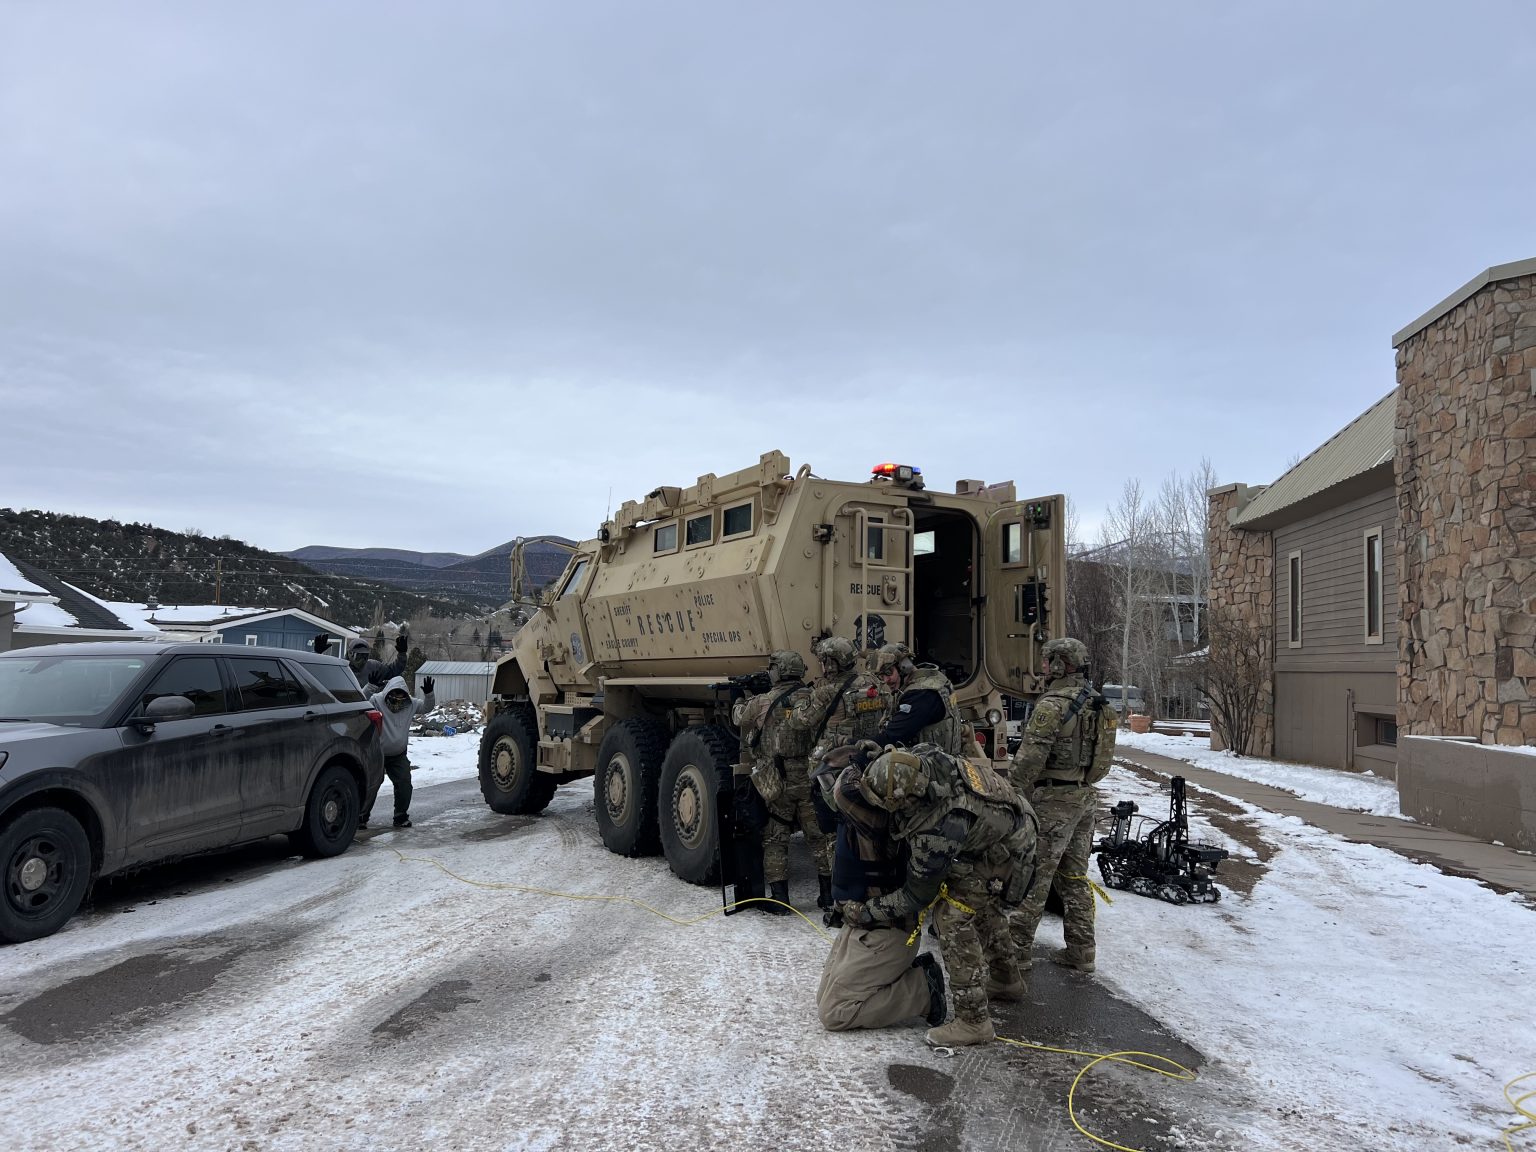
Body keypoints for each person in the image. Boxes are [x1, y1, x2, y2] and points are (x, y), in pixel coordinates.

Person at [842, 743, 1036, 1047]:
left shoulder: (939, 827)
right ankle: (1007, 980)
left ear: (904, 800)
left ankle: (974, 1022)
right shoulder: (925, 759)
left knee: (952, 916)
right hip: (1012, 823)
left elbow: (915, 896)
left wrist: (868, 911)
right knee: (984, 910)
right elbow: (899, 759)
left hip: (1009, 853)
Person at [815, 740, 945, 1032]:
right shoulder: (859, 817)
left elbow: (842, 792)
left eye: (829, 780)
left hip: (887, 931)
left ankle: (923, 989)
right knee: (824, 997)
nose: (826, 790)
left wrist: (859, 760)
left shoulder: (875, 819)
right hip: (860, 924)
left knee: (835, 1012)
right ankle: (902, 976)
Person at [1007, 637, 1115, 983]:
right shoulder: (1098, 704)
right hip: (1085, 796)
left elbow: (1030, 758)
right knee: (1074, 877)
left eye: (1047, 661)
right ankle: (1082, 950)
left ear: (1058, 664)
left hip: (1054, 800)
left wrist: (1010, 792)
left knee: (1035, 876)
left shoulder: (1052, 706)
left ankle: (1017, 951)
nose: (1042, 667)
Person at [746, 650, 835, 913]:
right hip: (809, 777)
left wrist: (742, 699)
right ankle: (828, 895)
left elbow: (738, 717)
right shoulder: (812, 699)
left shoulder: (763, 701)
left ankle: (780, 899)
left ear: (777, 671)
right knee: (818, 837)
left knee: (776, 838)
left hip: (777, 780)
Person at [360, 674, 435, 829]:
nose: (397, 701)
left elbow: (427, 707)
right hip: (377, 753)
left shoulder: (410, 704)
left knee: (404, 783)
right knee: (372, 784)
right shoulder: (377, 700)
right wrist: (370, 686)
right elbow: (360, 702)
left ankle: (400, 816)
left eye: (401, 696)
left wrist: (429, 694)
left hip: (398, 754)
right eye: (394, 696)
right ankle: (361, 816)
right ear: (388, 693)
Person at [870, 643, 966, 754]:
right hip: (938, 762)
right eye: (882, 676)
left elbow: (891, 737)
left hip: (932, 767)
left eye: (888, 672)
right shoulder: (933, 678)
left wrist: (852, 744)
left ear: (904, 667)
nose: (886, 680)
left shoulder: (922, 695)